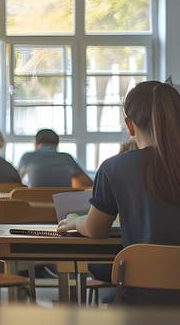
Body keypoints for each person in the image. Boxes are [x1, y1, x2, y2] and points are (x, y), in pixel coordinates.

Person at [57, 81, 180, 305]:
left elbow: (94, 229)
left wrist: (75, 221)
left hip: (142, 299)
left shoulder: (115, 168)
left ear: (129, 125)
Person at [18, 129, 92, 188]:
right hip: (62, 201)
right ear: (57, 145)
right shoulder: (67, 158)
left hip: (35, 201)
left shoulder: (28, 157)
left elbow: (16, 182)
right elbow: (88, 183)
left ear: (36, 143)